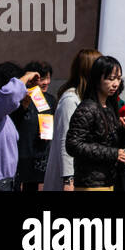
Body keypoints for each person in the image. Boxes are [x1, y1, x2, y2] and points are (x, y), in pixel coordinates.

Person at [65, 55, 125, 191]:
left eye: (118, 78)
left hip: (109, 181)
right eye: (110, 79)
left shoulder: (109, 107)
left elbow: (114, 145)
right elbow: (73, 145)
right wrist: (112, 153)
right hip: (90, 184)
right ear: (97, 79)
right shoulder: (87, 107)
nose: (116, 84)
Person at [0, 63, 41, 191]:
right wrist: (25, 77)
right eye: (21, 85)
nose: (24, 89)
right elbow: (11, 94)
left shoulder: (0, 112)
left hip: (2, 183)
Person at [44, 48, 100, 191]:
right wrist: (69, 179)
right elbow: (65, 139)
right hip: (69, 179)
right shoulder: (71, 100)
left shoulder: (90, 99)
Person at [12, 60, 56, 191]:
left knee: (35, 186)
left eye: (48, 78)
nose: (46, 82)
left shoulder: (50, 99)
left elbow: (50, 120)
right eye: (42, 79)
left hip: (40, 152)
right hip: (22, 151)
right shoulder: (20, 98)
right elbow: (15, 119)